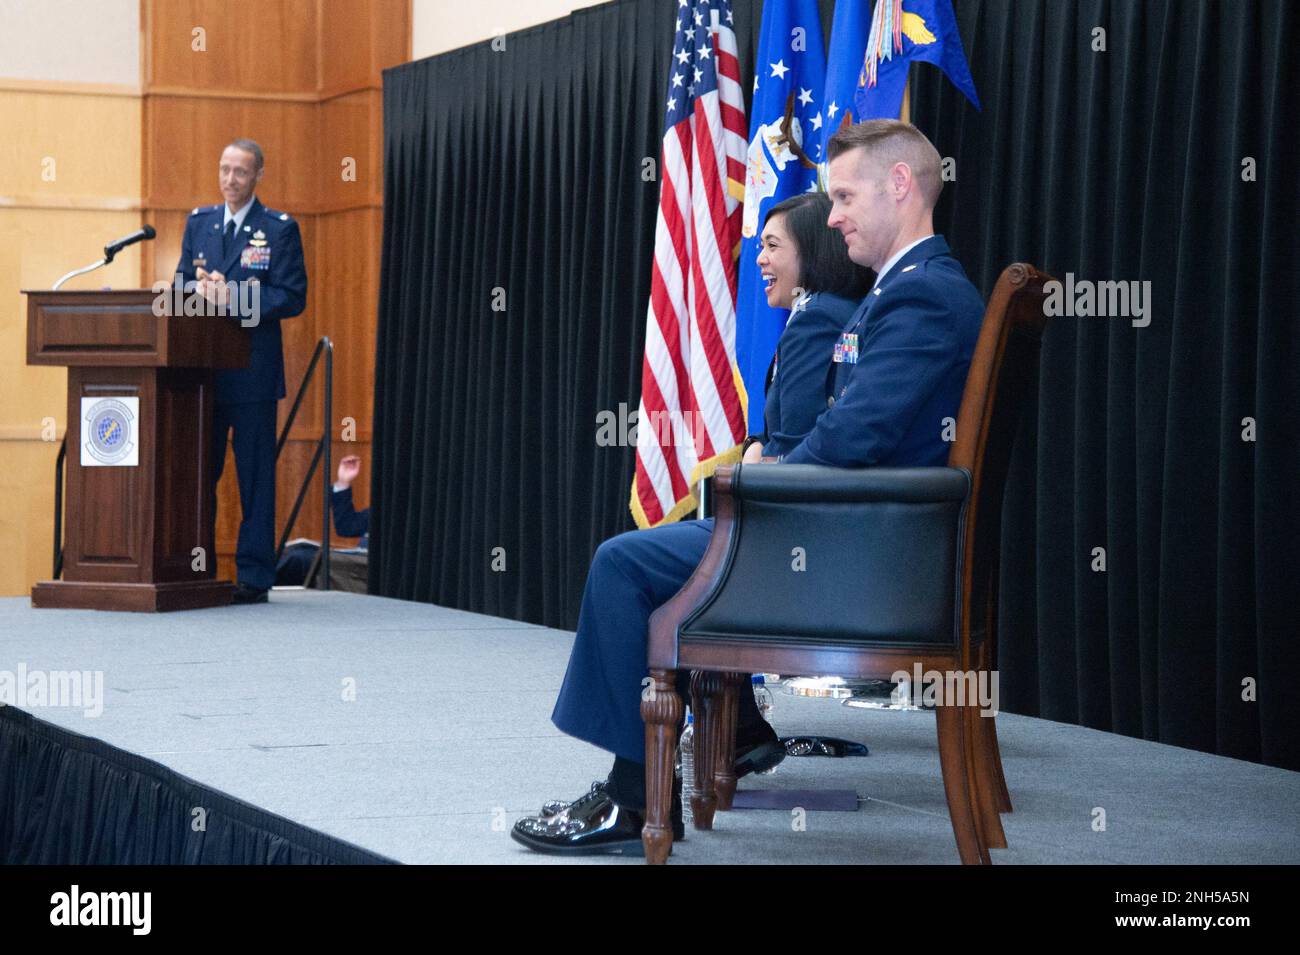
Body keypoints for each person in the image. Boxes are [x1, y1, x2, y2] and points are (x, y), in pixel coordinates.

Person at [518, 117, 980, 854]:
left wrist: (754, 481)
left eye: (845, 197)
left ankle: (632, 796)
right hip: (862, 535)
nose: (831, 217)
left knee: (622, 562)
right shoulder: (912, 289)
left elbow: (852, 439)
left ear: (900, 185)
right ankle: (678, 766)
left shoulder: (921, 296)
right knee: (642, 555)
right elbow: (855, 432)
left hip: (856, 555)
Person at [176, 138, 308, 604]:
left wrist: (234, 297)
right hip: (203, 376)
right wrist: (194, 290)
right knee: (199, 475)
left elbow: (291, 296)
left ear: (257, 177)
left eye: (240, 172)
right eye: (224, 169)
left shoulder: (278, 229)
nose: (230, 179)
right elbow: (180, 286)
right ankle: (199, 569)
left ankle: (254, 577)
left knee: (254, 479)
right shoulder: (200, 223)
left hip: (252, 373)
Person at [275, 455, 371, 587]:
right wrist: (343, 482)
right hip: (351, 560)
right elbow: (346, 527)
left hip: (362, 564)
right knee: (291, 551)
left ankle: (262, 593)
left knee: (299, 558)